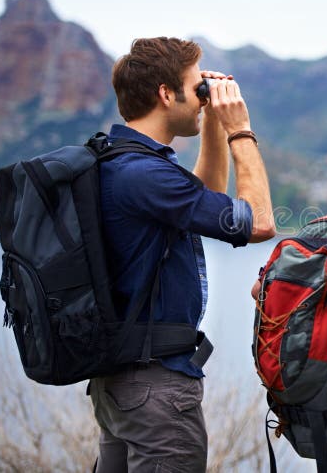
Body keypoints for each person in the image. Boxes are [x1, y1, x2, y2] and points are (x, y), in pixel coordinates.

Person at [88, 36, 275, 472]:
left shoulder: (121, 162)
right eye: (196, 88)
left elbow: (205, 200)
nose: (202, 96)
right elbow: (260, 221)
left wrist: (209, 120)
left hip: (121, 382)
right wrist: (239, 130)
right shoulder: (146, 175)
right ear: (165, 94)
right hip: (156, 388)